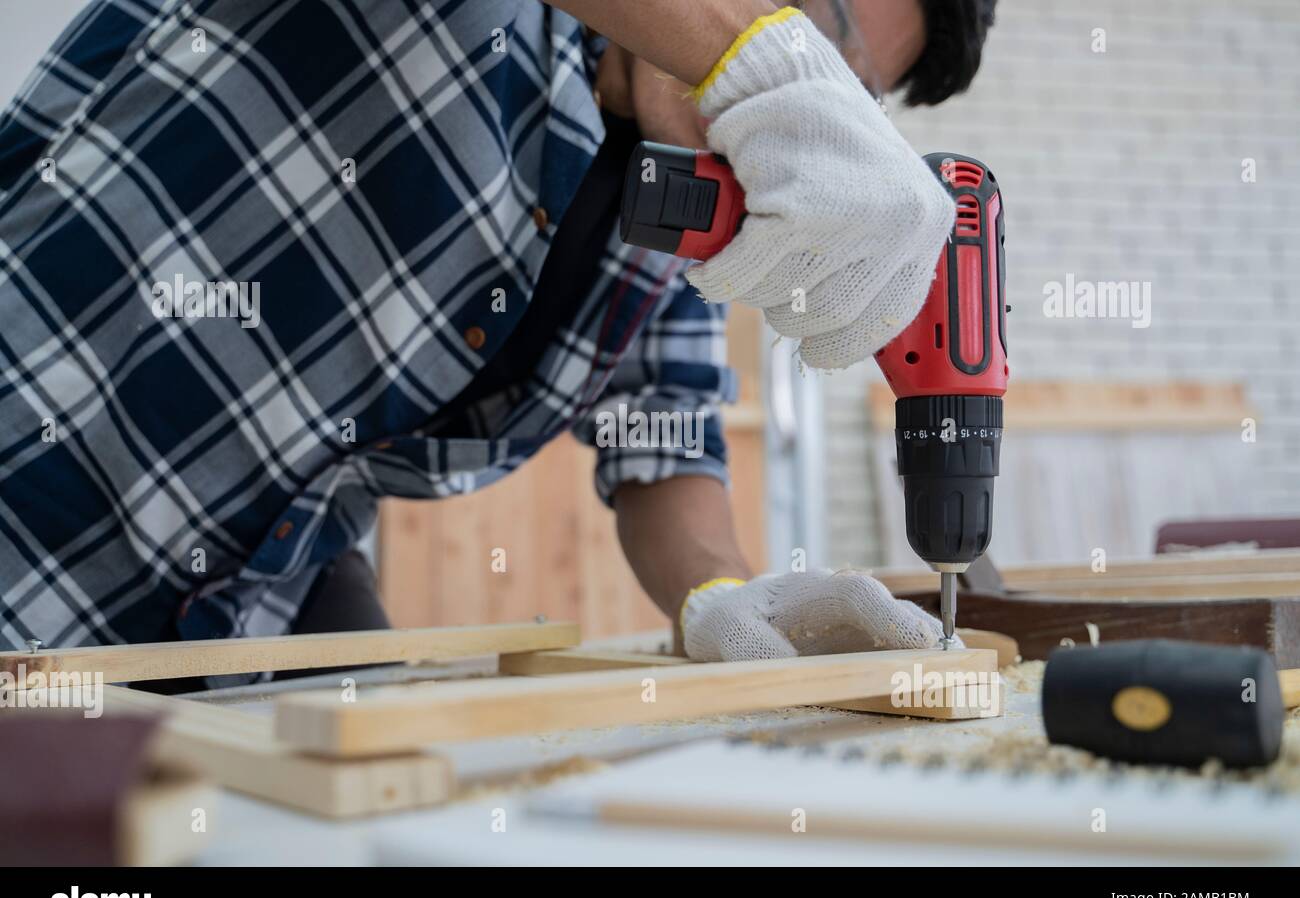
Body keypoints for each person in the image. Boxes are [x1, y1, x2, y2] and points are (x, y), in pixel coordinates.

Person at [0, 0, 996, 675]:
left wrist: (723, 596)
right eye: (820, 27)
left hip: (238, 599)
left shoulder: (681, 206)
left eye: (848, 87)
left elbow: (662, 442)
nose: (812, 76)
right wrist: (758, 48)